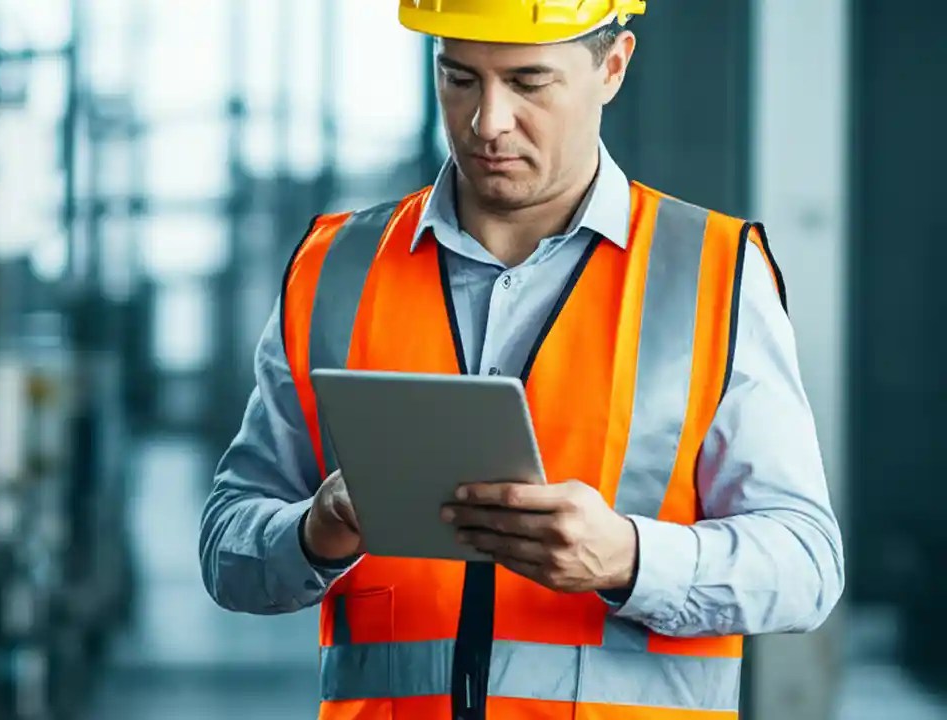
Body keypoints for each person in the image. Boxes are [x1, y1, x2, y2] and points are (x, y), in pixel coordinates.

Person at [198, 1, 845, 718]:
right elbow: (228, 548)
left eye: (528, 82)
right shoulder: (336, 270)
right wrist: (314, 532)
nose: (488, 123)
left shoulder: (714, 275)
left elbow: (806, 566)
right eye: (460, 78)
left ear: (613, 66)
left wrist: (630, 558)